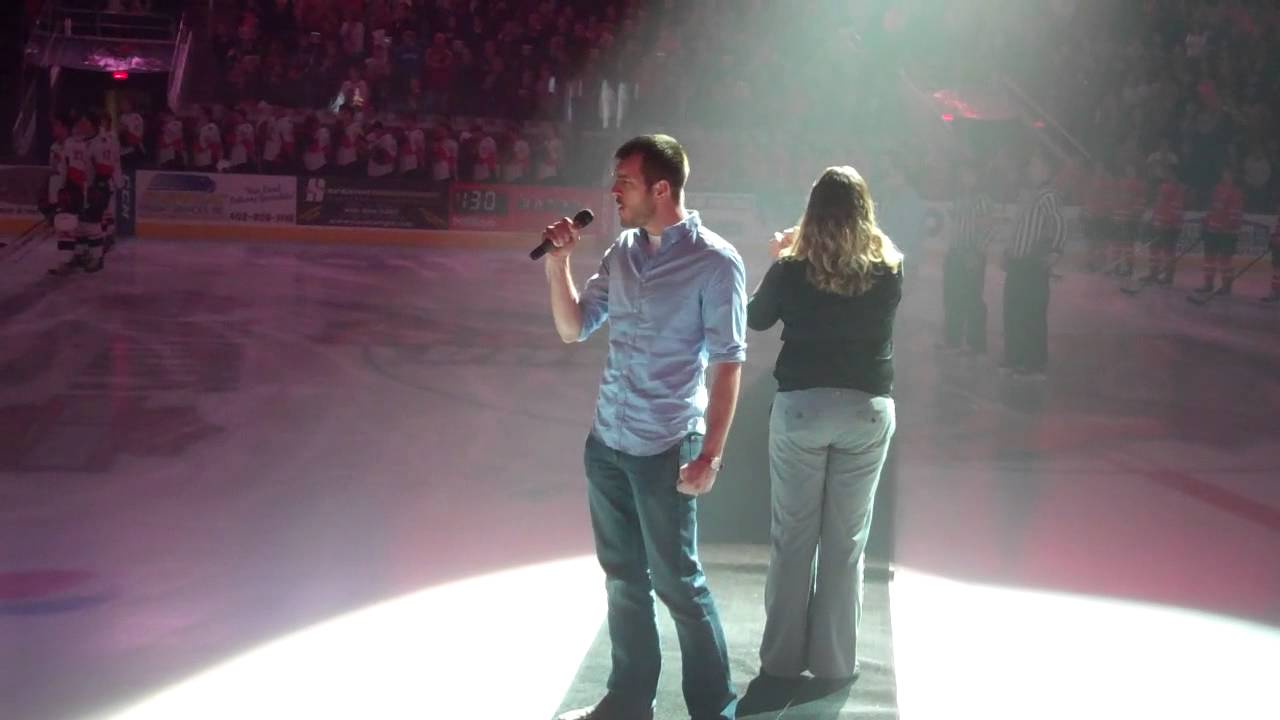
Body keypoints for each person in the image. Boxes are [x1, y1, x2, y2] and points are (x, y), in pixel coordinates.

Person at [542, 134, 744, 720]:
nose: (613, 191)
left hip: (666, 444)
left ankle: (714, 708)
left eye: (624, 181)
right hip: (607, 442)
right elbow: (573, 327)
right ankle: (630, 700)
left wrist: (710, 454)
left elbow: (729, 363)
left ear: (661, 188)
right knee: (623, 579)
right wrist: (558, 263)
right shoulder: (623, 252)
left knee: (678, 583)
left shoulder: (715, 262)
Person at [745, 165, 902, 690]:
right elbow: (870, 265)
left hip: (803, 409)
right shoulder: (890, 267)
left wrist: (782, 255)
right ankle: (835, 662)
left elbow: (756, 318)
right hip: (865, 410)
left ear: (811, 210)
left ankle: (781, 662)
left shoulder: (792, 267)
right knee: (845, 543)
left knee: (793, 540)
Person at [1001, 148, 1066, 379]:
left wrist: (1056, 251)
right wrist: (1009, 251)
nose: (1030, 168)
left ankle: (1034, 363)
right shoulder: (1029, 195)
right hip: (1017, 263)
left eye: (1035, 164)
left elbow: (1059, 223)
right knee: (1013, 311)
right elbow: (1018, 227)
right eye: (1030, 164)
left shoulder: (1048, 196)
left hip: (1032, 265)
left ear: (1046, 169)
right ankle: (1015, 357)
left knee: (1032, 314)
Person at [942, 159, 994, 353]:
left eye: (968, 173)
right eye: (962, 173)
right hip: (956, 253)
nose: (964, 177)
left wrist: (977, 252)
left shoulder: (982, 200)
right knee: (952, 296)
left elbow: (989, 230)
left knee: (973, 299)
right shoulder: (960, 198)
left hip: (972, 254)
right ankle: (953, 340)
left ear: (976, 176)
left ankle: (976, 344)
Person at [1196, 166, 1244, 296]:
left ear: (1233, 176)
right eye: (1225, 173)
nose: (1226, 176)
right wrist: (1206, 222)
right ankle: (1208, 284)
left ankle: (1226, 286)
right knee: (1209, 258)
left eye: (1229, 174)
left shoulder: (1236, 192)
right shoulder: (1217, 189)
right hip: (1213, 230)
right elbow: (1212, 208)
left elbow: (1235, 213)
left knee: (1225, 260)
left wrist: (1228, 226)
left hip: (1227, 232)